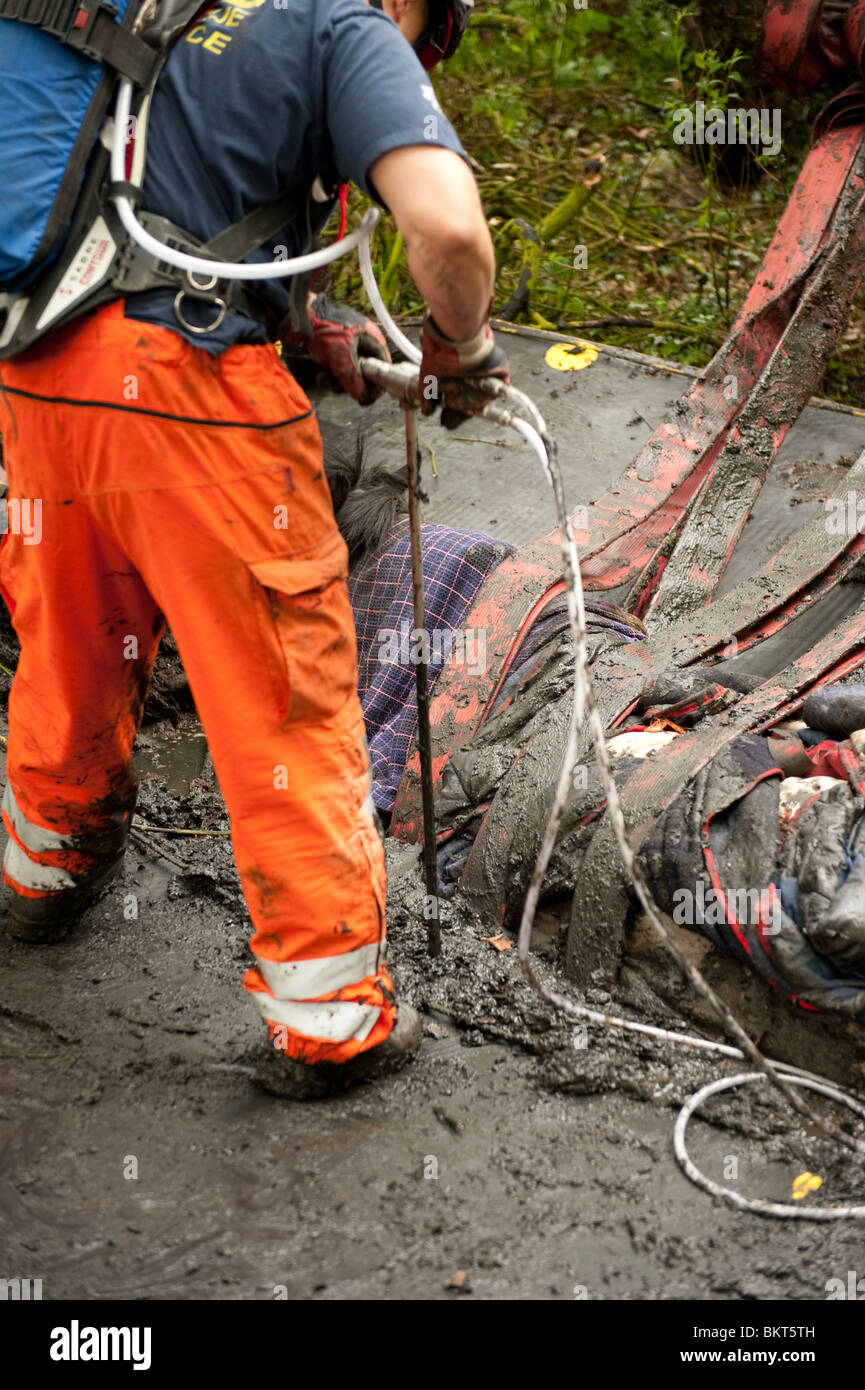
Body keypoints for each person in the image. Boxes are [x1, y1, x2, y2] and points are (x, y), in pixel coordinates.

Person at [0, 0, 510, 1101]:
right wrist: (461, 347)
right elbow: (448, 231)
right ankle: (329, 1018)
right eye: (430, 38)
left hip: (41, 380)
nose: (418, 56)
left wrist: (293, 318)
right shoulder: (343, 25)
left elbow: (153, 203)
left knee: (71, 646)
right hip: (193, 403)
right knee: (280, 695)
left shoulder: (172, 11)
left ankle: (44, 873)